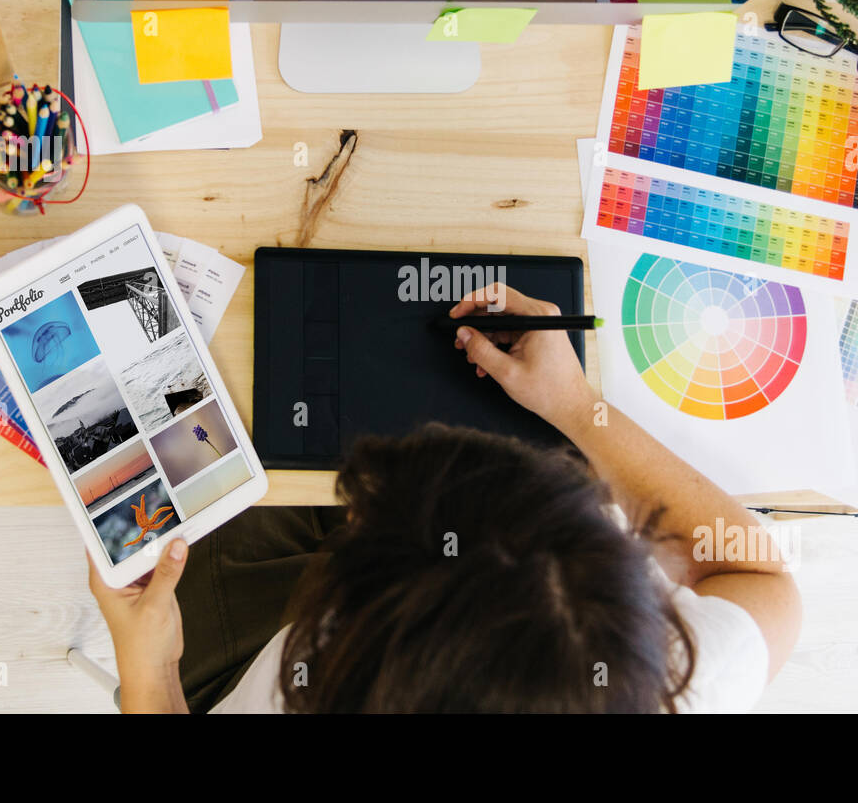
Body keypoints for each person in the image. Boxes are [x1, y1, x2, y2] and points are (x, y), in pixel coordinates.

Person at [90, 283, 801, 713]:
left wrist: (149, 669)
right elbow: (762, 580)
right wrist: (581, 411)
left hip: (224, 670)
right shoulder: (670, 685)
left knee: (185, 450)